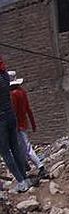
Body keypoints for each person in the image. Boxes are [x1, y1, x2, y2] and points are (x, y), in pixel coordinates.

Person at [8, 71, 47, 179]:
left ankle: (40, 167)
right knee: (21, 147)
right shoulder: (22, 92)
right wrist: (33, 124)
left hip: (17, 126)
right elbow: (28, 109)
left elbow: (13, 112)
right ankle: (26, 165)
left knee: (25, 148)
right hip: (23, 124)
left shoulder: (12, 95)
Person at [0, 58, 30, 192]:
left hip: (1, 119)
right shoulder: (5, 76)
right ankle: (25, 178)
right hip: (11, 116)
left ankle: (20, 182)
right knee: (15, 148)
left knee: (5, 152)